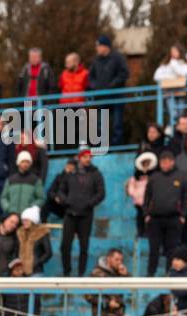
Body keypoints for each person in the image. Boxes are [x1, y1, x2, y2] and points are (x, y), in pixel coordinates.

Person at [57, 147, 105, 276]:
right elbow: (60, 189)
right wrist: (66, 200)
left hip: (86, 215)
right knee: (65, 246)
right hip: (70, 214)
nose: (88, 159)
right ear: (79, 157)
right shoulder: (70, 172)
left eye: (90, 157)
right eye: (85, 156)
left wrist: (89, 203)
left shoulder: (96, 173)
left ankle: (81, 274)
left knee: (84, 246)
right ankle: (66, 272)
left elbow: (101, 193)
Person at [144, 149, 187, 274]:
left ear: (173, 162)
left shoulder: (181, 177)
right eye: (162, 162)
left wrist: (183, 215)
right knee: (154, 249)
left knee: (171, 250)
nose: (165, 164)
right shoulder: (154, 177)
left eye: (167, 162)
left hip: (174, 219)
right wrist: (146, 214)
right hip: (155, 219)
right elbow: (147, 197)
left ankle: (169, 276)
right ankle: (149, 276)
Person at [87, 35, 128, 146]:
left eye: (98, 46)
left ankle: (116, 147)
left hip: (116, 97)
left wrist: (112, 85)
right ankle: (103, 146)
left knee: (117, 124)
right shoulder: (96, 60)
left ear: (105, 46)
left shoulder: (118, 58)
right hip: (102, 98)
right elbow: (90, 77)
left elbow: (124, 73)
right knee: (101, 124)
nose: (97, 49)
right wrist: (95, 87)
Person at [154, 46, 187, 128]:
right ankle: (173, 133)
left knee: (181, 114)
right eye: (172, 52)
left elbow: (184, 73)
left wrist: (174, 64)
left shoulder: (184, 63)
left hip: (180, 92)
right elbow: (157, 76)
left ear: (180, 52)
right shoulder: (166, 64)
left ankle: (180, 135)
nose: (173, 54)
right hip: (169, 93)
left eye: (175, 51)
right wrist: (172, 77)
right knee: (173, 115)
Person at [0, 150, 45, 217]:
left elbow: (41, 198)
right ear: (18, 163)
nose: (25, 164)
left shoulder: (35, 180)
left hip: (28, 217)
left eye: (27, 162)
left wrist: (30, 207)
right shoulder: (11, 179)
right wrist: (8, 208)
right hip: (12, 216)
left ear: (30, 164)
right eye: (23, 161)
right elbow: (3, 197)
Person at [127, 151, 157, 237]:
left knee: (149, 217)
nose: (146, 165)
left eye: (148, 163)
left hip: (149, 201)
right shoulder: (136, 175)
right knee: (139, 217)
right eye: (144, 163)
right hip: (138, 201)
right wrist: (134, 194)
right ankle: (140, 232)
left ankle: (149, 232)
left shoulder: (153, 175)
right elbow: (131, 186)